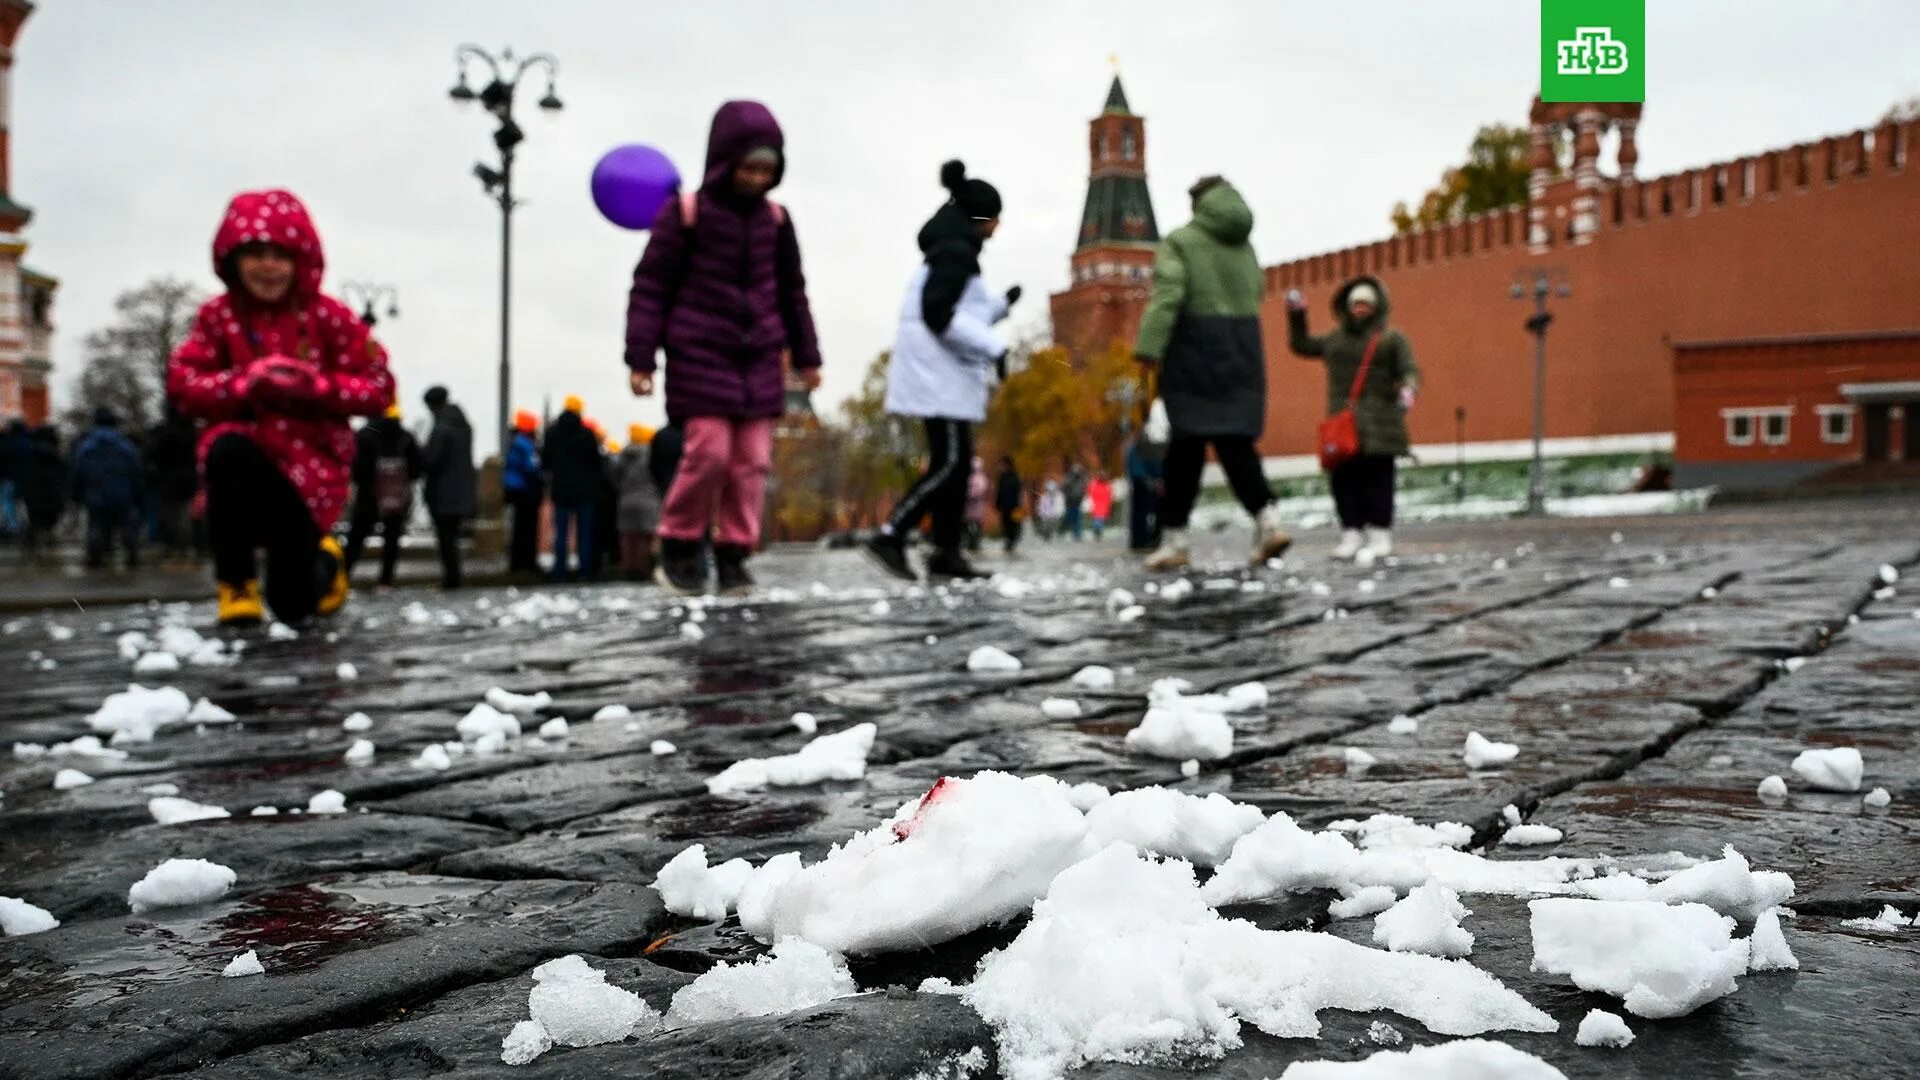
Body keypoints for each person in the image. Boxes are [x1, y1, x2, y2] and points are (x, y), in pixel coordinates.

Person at [168, 189, 395, 626]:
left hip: (311, 476)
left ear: (301, 261)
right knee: (227, 451)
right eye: (255, 253)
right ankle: (235, 582)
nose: (268, 266)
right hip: (247, 464)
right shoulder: (218, 319)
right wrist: (243, 384)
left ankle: (325, 563)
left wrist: (318, 387)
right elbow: (182, 383)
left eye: (280, 255)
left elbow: (378, 385)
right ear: (232, 258)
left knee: (292, 606)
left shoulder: (330, 317)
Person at [626, 100, 823, 595]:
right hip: (700, 352)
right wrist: (641, 357)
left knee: (752, 461)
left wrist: (808, 355)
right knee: (709, 453)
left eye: (767, 169)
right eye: (749, 166)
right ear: (725, 161)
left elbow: (792, 291)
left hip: (759, 356)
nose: (758, 178)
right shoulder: (686, 214)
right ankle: (678, 543)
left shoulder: (776, 222)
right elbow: (651, 286)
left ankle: (735, 552)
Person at [862, 161, 1015, 583]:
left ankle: (946, 551)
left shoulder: (951, 252)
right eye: (994, 218)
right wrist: (995, 346)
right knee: (949, 464)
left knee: (960, 466)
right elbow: (939, 315)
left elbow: (962, 313)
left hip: (942, 377)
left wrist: (1000, 307)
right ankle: (892, 532)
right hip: (938, 380)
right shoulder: (955, 254)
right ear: (980, 218)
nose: (997, 228)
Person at [1132, 175, 1292, 571]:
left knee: (1184, 449)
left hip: (1194, 348)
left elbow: (1169, 294)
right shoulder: (1245, 246)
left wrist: (1148, 348)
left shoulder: (1181, 242)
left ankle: (1175, 540)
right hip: (1242, 347)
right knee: (1236, 444)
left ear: (1197, 203)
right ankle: (1269, 523)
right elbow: (1257, 289)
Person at [1287, 276, 1420, 560]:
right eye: (1356, 304)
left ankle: (1380, 533)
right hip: (1343, 424)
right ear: (1347, 307)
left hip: (1380, 423)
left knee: (1379, 480)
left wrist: (1408, 389)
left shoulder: (1390, 339)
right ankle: (1351, 533)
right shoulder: (1335, 340)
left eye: (1366, 304)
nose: (1360, 309)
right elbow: (1301, 345)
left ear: (1377, 307)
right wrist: (1296, 313)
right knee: (1344, 481)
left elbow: (1409, 368)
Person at [344, 403, 421, 588]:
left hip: (368, 495)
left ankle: (342, 576)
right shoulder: (406, 436)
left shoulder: (364, 435)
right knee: (392, 538)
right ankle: (385, 580)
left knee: (356, 537)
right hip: (396, 496)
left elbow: (356, 467)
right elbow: (416, 468)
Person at [69, 406, 146, 570]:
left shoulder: (87, 445)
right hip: (122, 490)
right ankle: (131, 554)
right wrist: (138, 492)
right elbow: (136, 469)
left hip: (96, 490)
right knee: (126, 523)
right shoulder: (125, 445)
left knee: (96, 524)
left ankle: (95, 556)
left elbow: (78, 470)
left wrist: (77, 492)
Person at [542, 396, 602, 582]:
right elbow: (596, 463)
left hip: (561, 489)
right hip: (585, 490)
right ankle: (585, 572)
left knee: (561, 533)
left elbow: (546, 461)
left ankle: (559, 572)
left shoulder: (552, 433)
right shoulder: (587, 434)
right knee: (584, 533)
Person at [421, 386, 476, 589]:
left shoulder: (442, 428)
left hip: (443, 492)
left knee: (446, 538)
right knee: (451, 536)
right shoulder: (463, 425)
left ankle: (451, 579)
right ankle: (454, 577)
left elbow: (432, 460)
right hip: (462, 491)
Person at [147, 406, 201, 566]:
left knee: (170, 513)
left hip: (168, 478)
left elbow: (152, 453)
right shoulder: (192, 433)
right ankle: (188, 543)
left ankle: (174, 544)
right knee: (187, 512)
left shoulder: (166, 433)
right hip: (190, 476)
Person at [613, 424, 662, 582]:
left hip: (626, 501)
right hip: (648, 500)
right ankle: (643, 570)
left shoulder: (623, 454)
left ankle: (629, 570)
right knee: (645, 537)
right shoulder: (651, 454)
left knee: (628, 537)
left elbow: (614, 476)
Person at [501, 410, 545, 577]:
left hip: (515, 488)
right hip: (525, 489)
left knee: (518, 528)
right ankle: (526, 562)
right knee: (527, 528)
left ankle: (517, 562)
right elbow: (531, 466)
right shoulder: (525, 444)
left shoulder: (514, 441)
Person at [19, 425, 65, 561]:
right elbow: (63, 474)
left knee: (35, 519)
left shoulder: (30, 452)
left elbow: (24, 474)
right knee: (49, 519)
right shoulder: (55, 454)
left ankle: (32, 543)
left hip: (34, 492)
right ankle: (46, 541)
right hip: (52, 492)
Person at [1125, 429, 1165, 553]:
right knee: (1142, 514)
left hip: (1147, 484)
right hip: (1143, 485)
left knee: (1145, 513)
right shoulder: (1142, 450)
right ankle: (1143, 539)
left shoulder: (1140, 449)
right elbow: (1138, 470)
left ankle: (1145, 539)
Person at [0, 417, 28, 538]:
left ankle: (13, 526)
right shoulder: (27, 442)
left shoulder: (8, 443)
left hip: (9, 478)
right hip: (24, 478)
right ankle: (21, 525)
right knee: (20, 502)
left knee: (8, 502)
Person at [994, 456, 1024, 554]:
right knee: (1005, 524)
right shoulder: (1002, 477)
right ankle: (1008, 541)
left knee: (1014, 525)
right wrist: (997, 503)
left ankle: (1012, 541)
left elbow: (1019, 492)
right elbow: (999, 491)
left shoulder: (1015, 477)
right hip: (1004, 506)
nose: (1000, 467)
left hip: (1015, 506)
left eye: (1002, 465)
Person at [964, 456, 990, 553]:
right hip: (968, 506)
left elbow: (982, 490)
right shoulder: (967, 476)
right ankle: (969, 541)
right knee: (967, 524)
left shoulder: (981, 477)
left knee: (977, 524)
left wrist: (971, 495)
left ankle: (976, 541)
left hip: (977, 505)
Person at [1062, 463, 1089, 542]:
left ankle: (1077, 533)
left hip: (1076, 502)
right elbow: (1064, 488)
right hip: (1070, 502)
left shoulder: (1081, 479)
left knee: (1076, 518)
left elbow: (1084, 489)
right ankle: (1072, 532)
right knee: (1072, 518)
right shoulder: (1069, 478)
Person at [1086, 472, 1113, 543]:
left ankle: (1097, 533)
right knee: (1098, 521)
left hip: (1099, 507)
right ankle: (1097, 533)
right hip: (1097, 506)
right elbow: (1089, 492)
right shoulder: (1103, 486)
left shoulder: (1106, 486)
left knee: (1098, 521)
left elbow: (1109, 498)